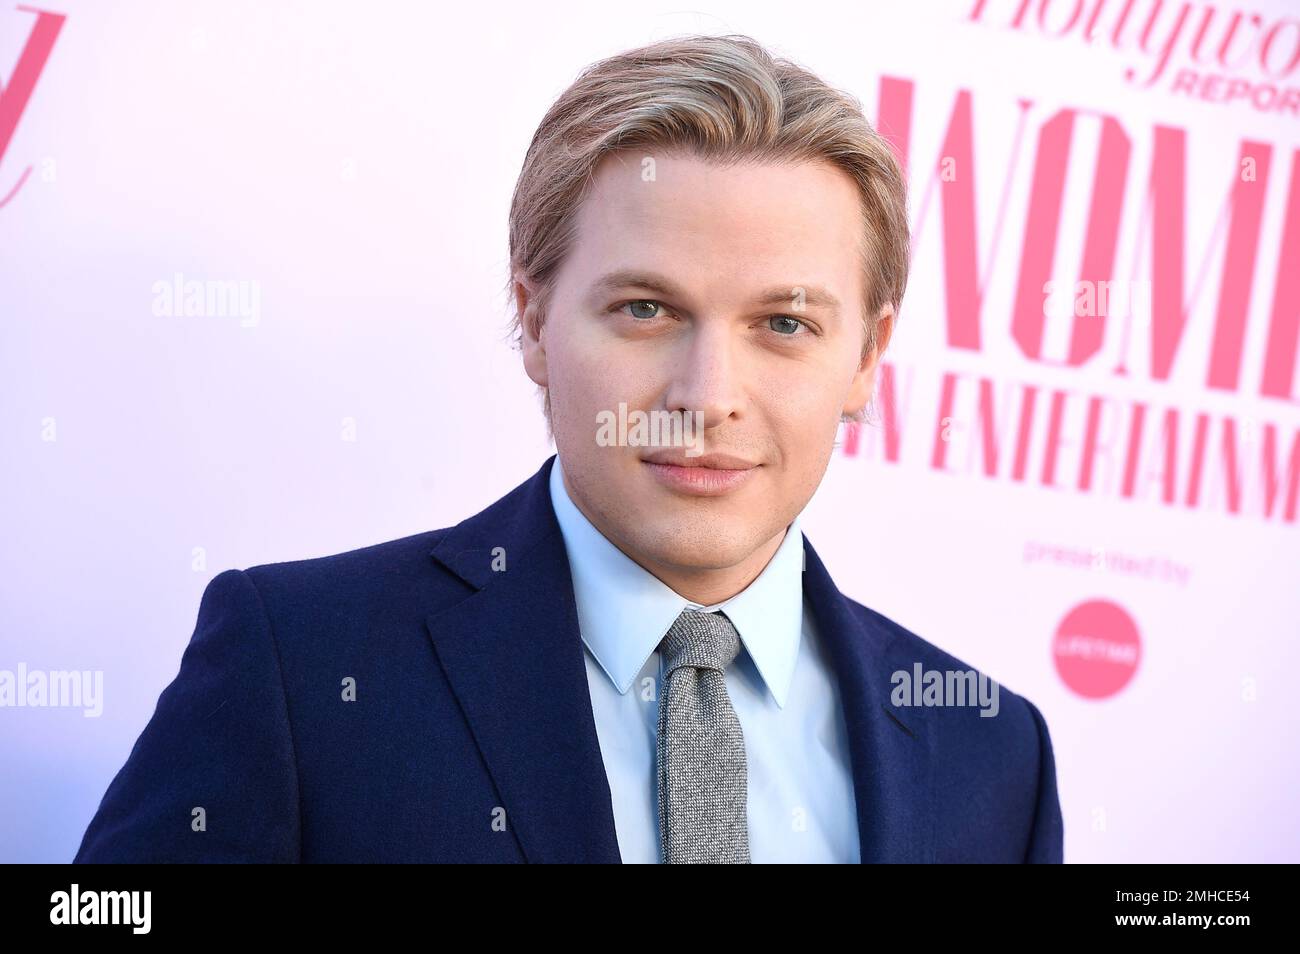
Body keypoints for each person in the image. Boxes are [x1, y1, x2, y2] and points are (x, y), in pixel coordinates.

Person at [74, 33, 1063, 863]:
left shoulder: (989, 752)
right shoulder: (297, 665)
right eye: (645, 308)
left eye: (785, 324)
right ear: (534, 316)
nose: (706, 397)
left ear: (867, 356)